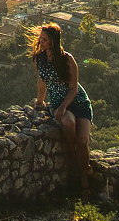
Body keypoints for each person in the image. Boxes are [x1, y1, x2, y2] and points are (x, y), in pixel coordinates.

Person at [30, 22, 94, 194]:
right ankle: (76, 160)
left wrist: (64, 106)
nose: (41, 41)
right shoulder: (39, 59)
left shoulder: (67, 59)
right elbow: (42, 81)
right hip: (57, 101)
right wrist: (40, 101)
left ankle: (84, 174)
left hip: (78, 101)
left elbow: (73, 87)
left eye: (44, 39)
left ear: (53, 41)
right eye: (41, 38)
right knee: (67, 122)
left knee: (82, 140)